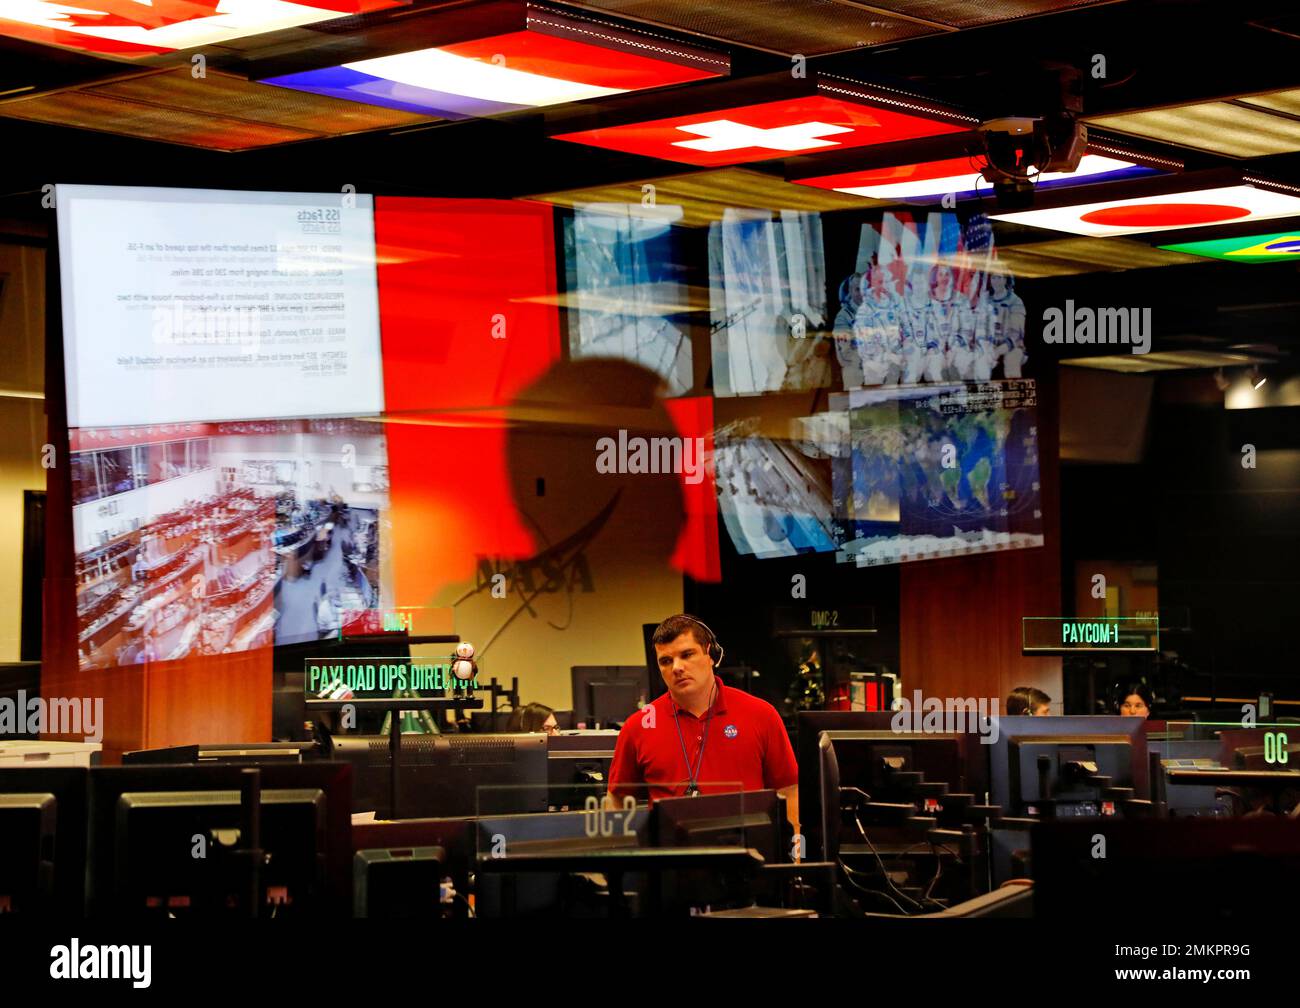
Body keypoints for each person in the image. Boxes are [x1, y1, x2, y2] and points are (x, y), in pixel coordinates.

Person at [608, 614, 800, 839]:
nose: (677, 667)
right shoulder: (638, 726)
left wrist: (794, 857)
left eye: (687, 654)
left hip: (749, 860)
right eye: (666, 661)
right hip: (671, 865)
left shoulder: (761, 715)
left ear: (711, 655)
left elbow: (788, 791)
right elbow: (617, 798)